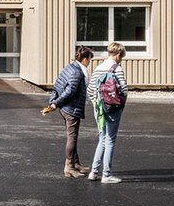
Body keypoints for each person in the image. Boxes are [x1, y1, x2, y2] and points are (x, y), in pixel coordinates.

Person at [40, 46, 94, 178]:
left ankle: (75, 163)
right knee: (72, 137)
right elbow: (70, 92)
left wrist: (53, 101)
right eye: (90, 60)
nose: (90, 62)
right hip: (71, 108)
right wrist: (55, 103)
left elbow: (58, 85)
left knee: (73, 137)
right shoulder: (78, 72)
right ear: (85, 59)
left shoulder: (69, 67)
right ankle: (69, 166)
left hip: (65, 108)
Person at [86, 42, 129, 184]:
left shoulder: (98, 67)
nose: (121, 59)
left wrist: (97, 104)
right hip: (113, 108)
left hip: (99, 108)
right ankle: (106, 175)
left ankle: (93, 172)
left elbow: (91, 90)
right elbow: (124, 89)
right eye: (121, 57)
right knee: (110, 140)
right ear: (117, 55)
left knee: (102, 139)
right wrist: (121, 106)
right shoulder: (116, 68)